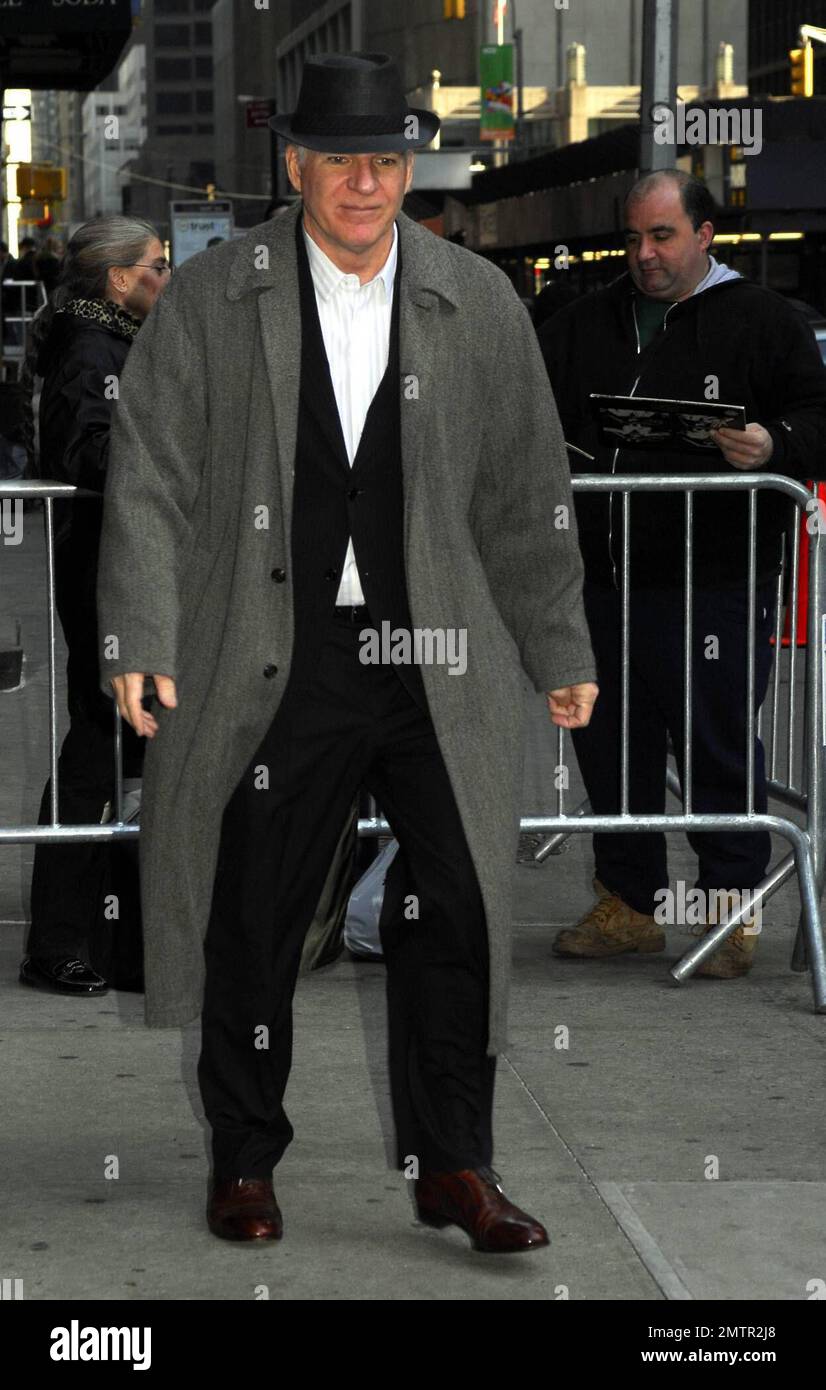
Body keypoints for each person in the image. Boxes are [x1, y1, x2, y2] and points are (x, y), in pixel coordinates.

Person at [96, 52, 597, 1253]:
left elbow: (526, 491)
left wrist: (557, 640)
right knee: (255, 913)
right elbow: (150, 483)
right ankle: (245, 1160)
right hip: (277, 651)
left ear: (406, 167)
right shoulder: (215, 297)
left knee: (462, 913)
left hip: (440, 658)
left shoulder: (475, 301)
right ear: (296, 168)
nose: (365, 184)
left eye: (384, 161)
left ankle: (455, 1165)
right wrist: (143, 635)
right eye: (339, 162)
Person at [539, 169, 826, 977]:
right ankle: (630, 903)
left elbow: (817, 416)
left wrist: (776, 444)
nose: (644, 254)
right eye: (632, 238)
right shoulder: (585, 321)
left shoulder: (766, 322)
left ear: (705, 235)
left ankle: (728, 908)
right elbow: (533, 412)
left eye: (662, 236)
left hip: (717, 576)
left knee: (715, 743)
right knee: (609, 741)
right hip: (600, 575)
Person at [19, 216, 171, 996]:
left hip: (122, 562)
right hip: (108, 567)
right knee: (102, 744)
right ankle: (63, 939)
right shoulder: (91, 344)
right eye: (155, 265)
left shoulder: (105, 334)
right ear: (118, 279)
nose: (164, 277)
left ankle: (110, 934)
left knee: (125, 743)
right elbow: (89, 456)